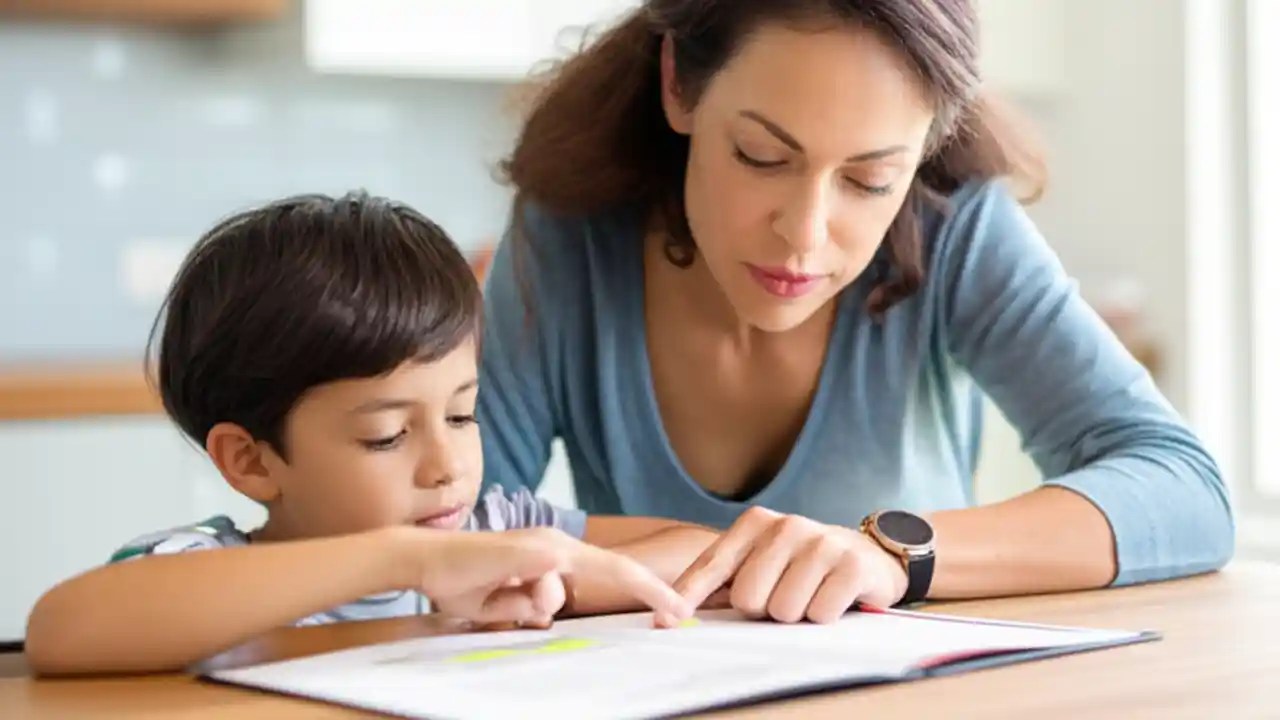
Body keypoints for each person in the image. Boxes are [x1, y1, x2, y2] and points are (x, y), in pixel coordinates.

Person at [479, 0, 1235, 623]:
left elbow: (1184, 490)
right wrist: (678, 549)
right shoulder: (565, 237)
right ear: (678, 84)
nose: (804, 237)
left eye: (871, 180)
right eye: (760, 156)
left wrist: (894, 553)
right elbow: (457, 533)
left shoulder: (955, 231)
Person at [25, 192, 710, 676]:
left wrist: (562, 578)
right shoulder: (208, 565)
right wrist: (406, 560)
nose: (446, 465)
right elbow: (62, 633)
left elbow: (705, 554)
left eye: (462, 415)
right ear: (252, 461)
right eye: (386, 435)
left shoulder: (489, 531)